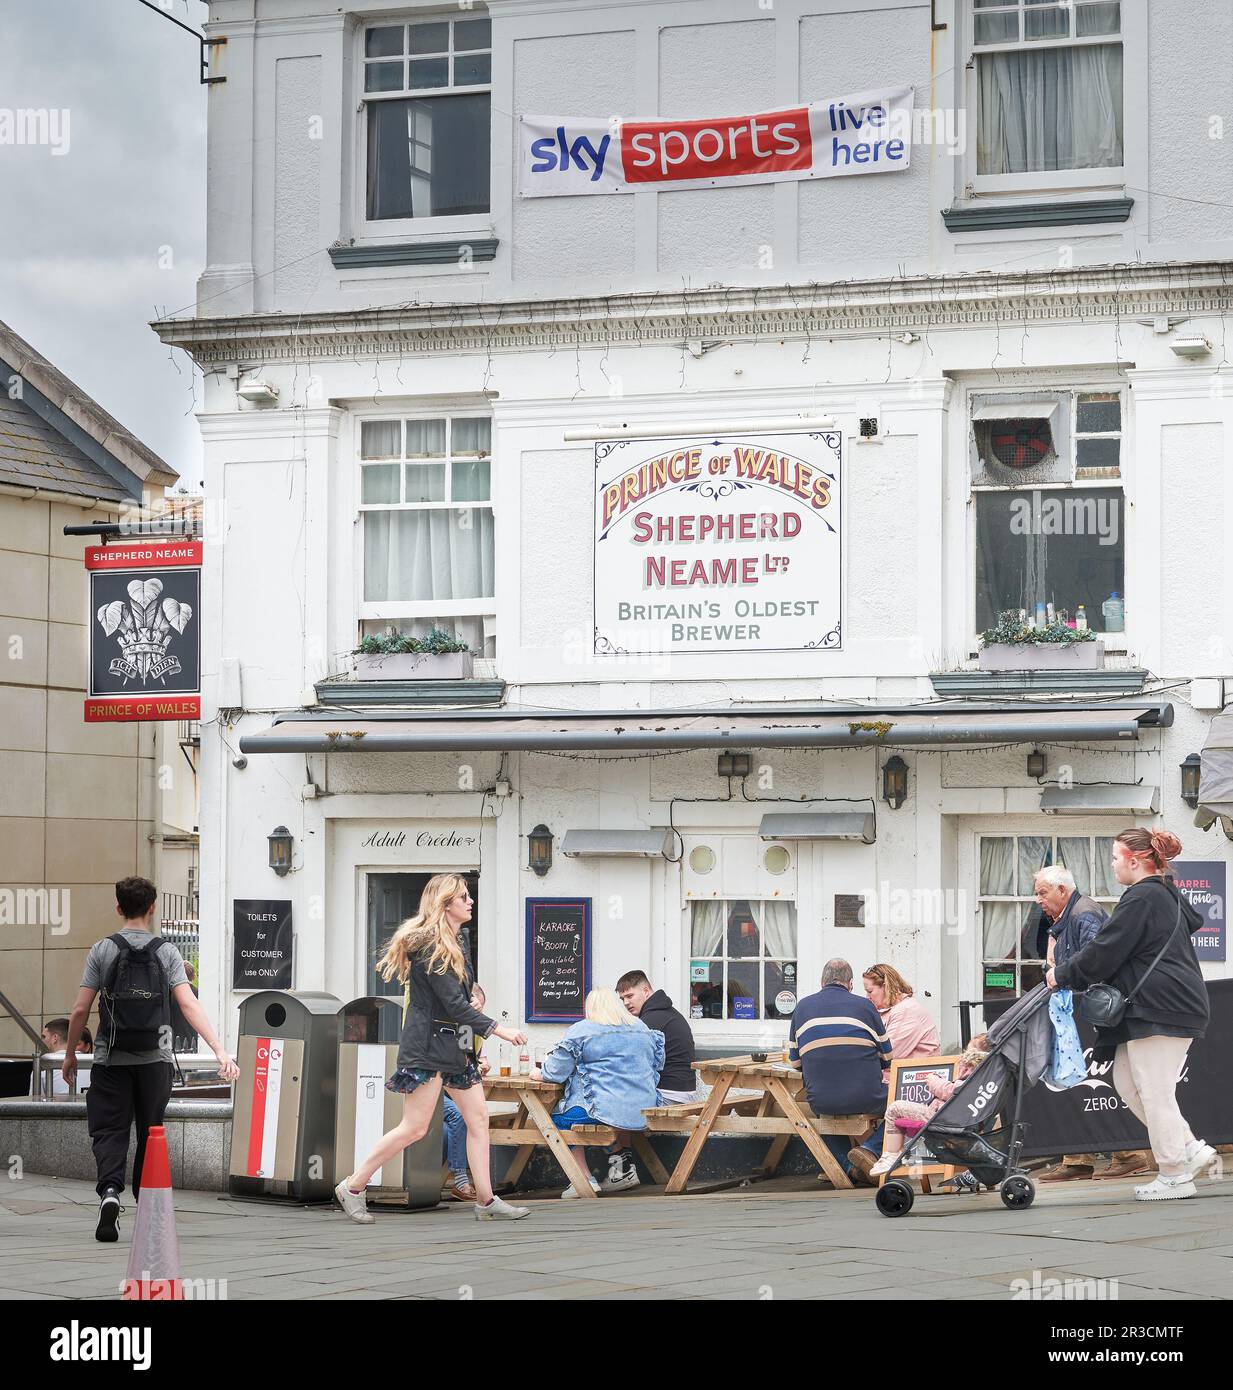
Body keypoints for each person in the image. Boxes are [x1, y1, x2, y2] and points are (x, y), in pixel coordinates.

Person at [335, 873, 530, 1223]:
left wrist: (470, 1051)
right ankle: (352, 1186)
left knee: (478, 1119)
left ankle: (486, 1201)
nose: (471, 902)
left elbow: (457, 1007)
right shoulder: (431, 946)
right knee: (414, 1127)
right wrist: (500, 1030)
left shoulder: (456, 940)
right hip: (426, 1048)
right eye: (464, 897)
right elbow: (456, 1006)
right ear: (445, 904)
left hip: (453, 1047)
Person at [61, 877, 239, 1242]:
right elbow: (188, 1004)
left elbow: (80, 1008)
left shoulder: (102, 950)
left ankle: (110, 1192)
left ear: (118, 907)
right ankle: (148, 1206)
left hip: (111, 1059)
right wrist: (219, 1049)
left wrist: (69, 1055)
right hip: (155, 1061)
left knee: (109, 1131)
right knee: (150, 1132)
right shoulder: (167, 952)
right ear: (153, 907)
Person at [1047, 829, 1215, 1202]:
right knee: (1127, 1083)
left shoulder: (1143, 897)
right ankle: (1189, 1148)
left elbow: (1107, 949)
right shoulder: (1161, 894)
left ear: (1135, 861)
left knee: (1154, 1092)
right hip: (1163, 1004)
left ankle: (1175, 1173)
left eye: (1115, 857)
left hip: (1162, 1005)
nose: (1112, 864)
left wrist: (1062, 972)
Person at [1033, 867, 1150, 1183]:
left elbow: (1098, 962)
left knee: (1101, 1082)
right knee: (1079, 1083)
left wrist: (1062, 971)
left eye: (1043, 892)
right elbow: (1059, 960)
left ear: (1061, 890)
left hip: (1093, 1010)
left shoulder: (1083, 914)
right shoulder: (1067, 917)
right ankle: (1079, 1156)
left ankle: (1129, 1154)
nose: (1038, 900)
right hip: (1082, 1008)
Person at [529, 988, 663, 1197]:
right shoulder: (641, 1028)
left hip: (604, 1110)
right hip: (643, 1109)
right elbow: (655, 1065)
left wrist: (538, 1073)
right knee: (610, 1114)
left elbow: (555, 1072)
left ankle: (583, 1179)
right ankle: (620, 1170)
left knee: (556, 1120)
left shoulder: (583, 1029)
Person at [788, 959, 892, 1186]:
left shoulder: (802, 1007)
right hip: (867, 1096)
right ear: (851, 984)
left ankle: (850, 1168)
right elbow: (887, 1059)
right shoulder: (865, 1007)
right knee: (904, 1105)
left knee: (812, 1111)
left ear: (821, 982)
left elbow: (796, 1064)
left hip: (822, 1101)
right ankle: (869, 1150)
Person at [847, 963, 941, 1180]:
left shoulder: (907, 1011)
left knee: (846, 1097)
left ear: (886, 986)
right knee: (836, 1098)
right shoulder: (891, 1011)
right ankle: (850, 1163)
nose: (868, 997)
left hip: (916, 1084)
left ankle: (867, 1152)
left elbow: (891, 1054)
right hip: (898, 1078)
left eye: (870, 991)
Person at [610, 969, 699, 1188]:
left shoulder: (649, 1021)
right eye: (622, 999)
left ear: (646, 990)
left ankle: (622, 1171)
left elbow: (630, 1063)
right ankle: (625, 1168)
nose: (626, 1003)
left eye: (630, 996)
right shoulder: (665, 1013)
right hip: (680, 1091)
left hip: (670, 1095)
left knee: (608, 1104)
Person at [870, 1034, 990, 1178]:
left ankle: (892, 1154)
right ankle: (892, 1154)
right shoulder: (986, 1077)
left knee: (894, 1109)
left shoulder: (974, 1073)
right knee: (896, 1110)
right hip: (952, 1117)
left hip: (943, 1118)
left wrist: (934, 1081)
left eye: (968, 1053)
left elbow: (954, 1092)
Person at [441, 981, 490, 1202]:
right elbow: (456, 1054)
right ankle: (461, 1179)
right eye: (477, 1006)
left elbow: (472, 1053)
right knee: (459, 1116)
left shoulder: (470, 1026)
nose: (480, 1011)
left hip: (451, 1085)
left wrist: (481, 1062)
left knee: (477, 1119)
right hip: (435, 1087)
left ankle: (485, 1195)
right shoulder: (451, 1020)